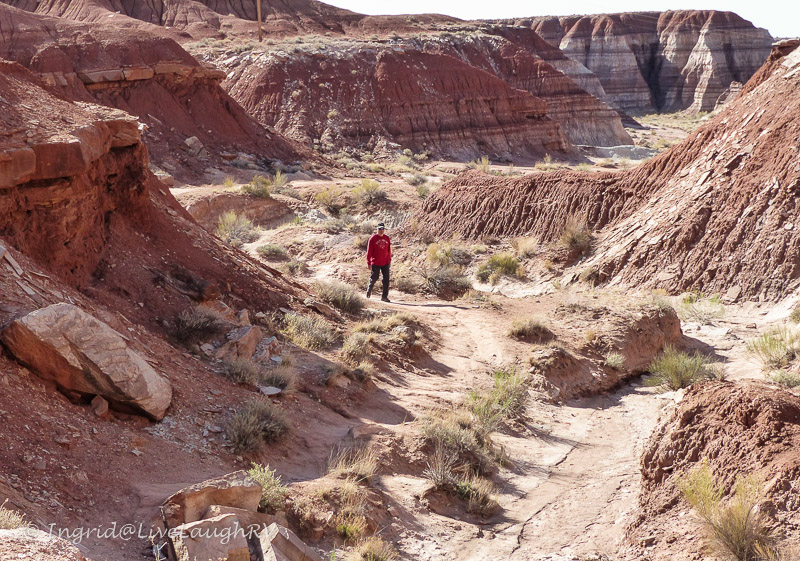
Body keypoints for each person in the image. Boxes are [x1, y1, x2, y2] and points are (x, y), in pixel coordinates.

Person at [366, 222, 391, 302]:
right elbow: (369, 251)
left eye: (382, 229)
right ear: (377, 229)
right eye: (379, 229)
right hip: (375, 262)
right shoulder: (372, 238)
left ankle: (384, 297)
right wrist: (369, 262)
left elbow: (389, 250)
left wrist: (389, 260)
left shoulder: (387, 238)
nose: (381, 230)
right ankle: (370, 288)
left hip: (385, 262)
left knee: (386, 280)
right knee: (374, 277)